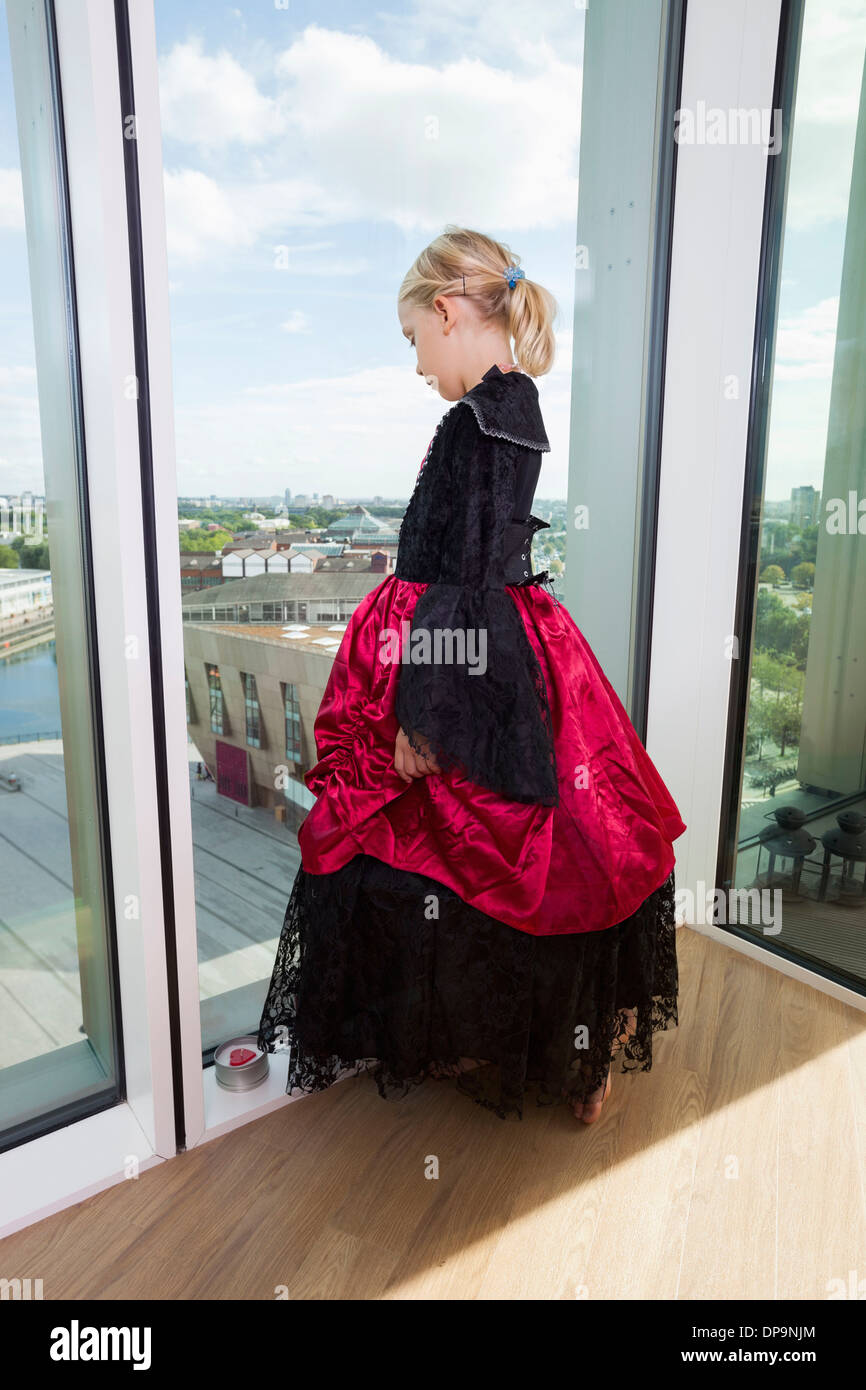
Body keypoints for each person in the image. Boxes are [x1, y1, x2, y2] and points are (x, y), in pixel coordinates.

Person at [258, 226, 687, 1125]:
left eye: (415, 340)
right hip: (460, 646)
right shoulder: (500, 408)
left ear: (448, 312)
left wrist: (429, 718)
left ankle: (569, 1054)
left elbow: (475, 581)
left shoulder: (484, 418)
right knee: (455, 865)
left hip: (456, 659)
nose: (417, 364)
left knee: (499, 857)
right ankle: (487, 1035)